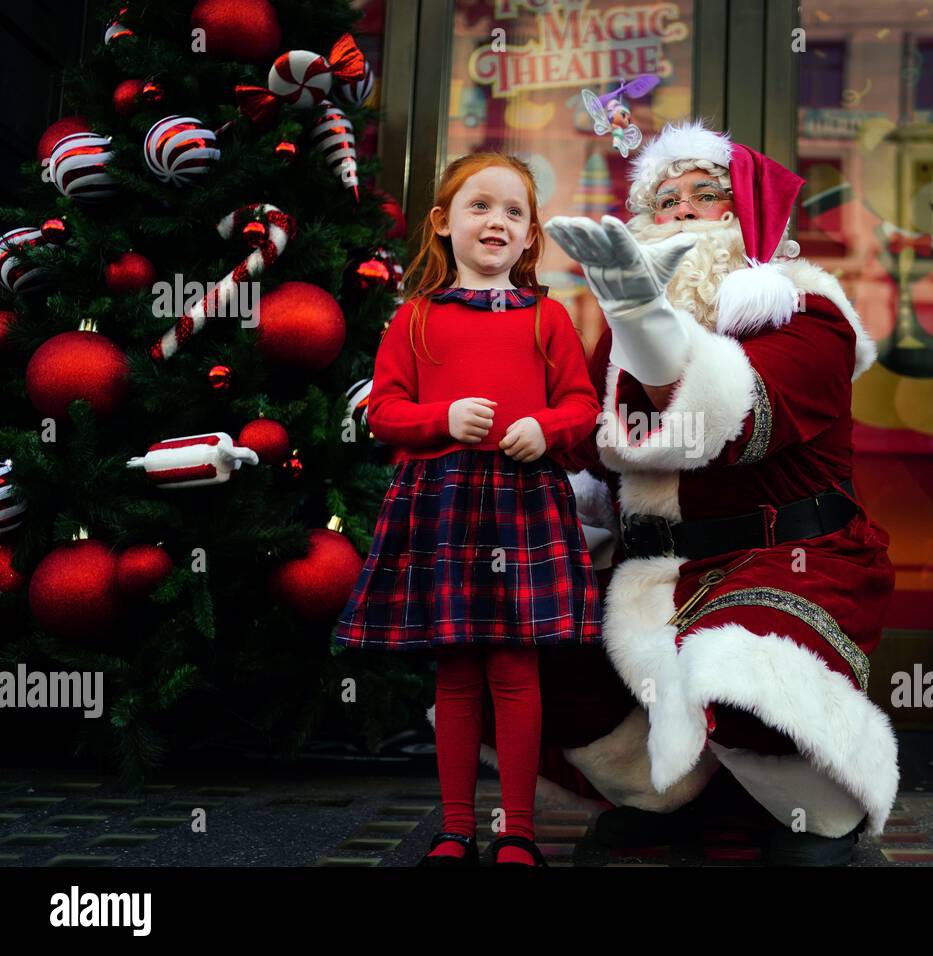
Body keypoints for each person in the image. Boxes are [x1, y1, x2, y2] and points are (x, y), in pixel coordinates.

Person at [538, 120, 900, 866]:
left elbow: (714, 423)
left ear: (748, 213)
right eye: (664, 200)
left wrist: (642, 316)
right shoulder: (621, 331)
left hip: (786, 560)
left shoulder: (804, 312)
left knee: (737, 671)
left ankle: (818, 812)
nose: (681, 210)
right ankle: (669, 796)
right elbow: (596, 451)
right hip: (651, 570)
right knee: (524, 633)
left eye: (705, 194)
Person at [333, 152, 602, 868]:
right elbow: (383, 412)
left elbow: (583, 406)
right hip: (446, 503)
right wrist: (443, 419)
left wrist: (545, 426)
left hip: (522, 503)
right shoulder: (416, 318)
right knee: (455, 672)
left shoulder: (546, 318)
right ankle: (455, 829)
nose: (496, 222)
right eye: (479, 206)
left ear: (530, 236)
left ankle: (518, 832)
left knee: (515, 668)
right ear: (443, 222)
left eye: (514, 212)